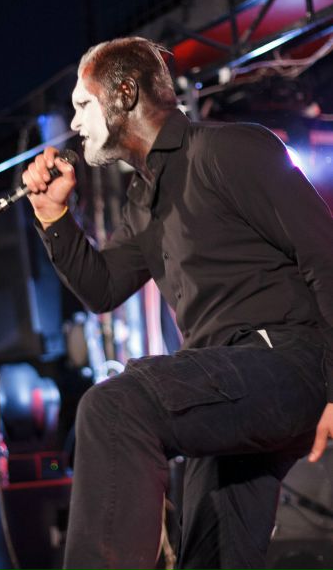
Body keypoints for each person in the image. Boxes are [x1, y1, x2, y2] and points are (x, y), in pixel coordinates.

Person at [22, 37, 333, 570]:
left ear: (124, 93)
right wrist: (54, 218)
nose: (74, 124)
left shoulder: (228, 150)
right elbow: (102, 288)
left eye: (82, 104)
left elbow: (324, 256)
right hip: (225, 388)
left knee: (115, 407)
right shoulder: (143, 200)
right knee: (212, 556)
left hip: (286, 362)